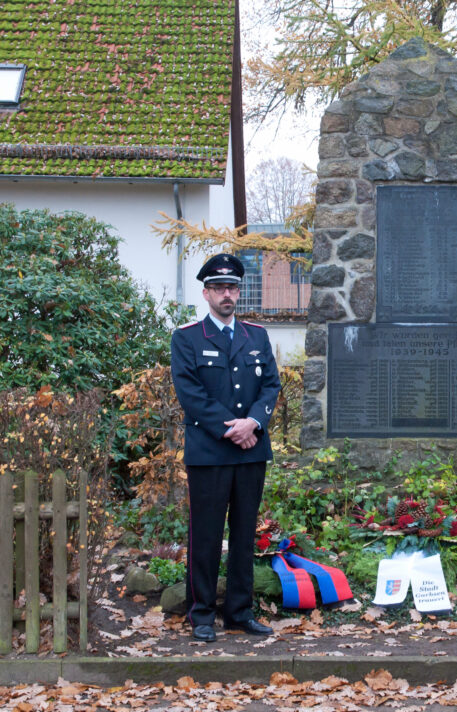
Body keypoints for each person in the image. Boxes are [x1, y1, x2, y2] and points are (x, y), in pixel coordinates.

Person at [170, 253, 281, 642]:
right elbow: (190, 393)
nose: (226, 294)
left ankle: (238, 612)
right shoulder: (186, 337)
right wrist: (231, 428)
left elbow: (271, 385)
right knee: (205, 534)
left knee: (244, 533)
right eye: (219, 288)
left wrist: (254, 422)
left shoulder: (258, 336)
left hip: (251, 451)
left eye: (232, 287)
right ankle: (201, 614)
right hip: (210, 452)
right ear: (206, 293)